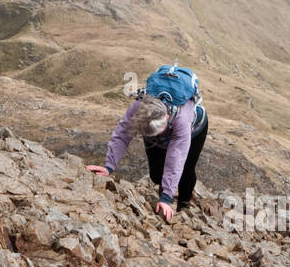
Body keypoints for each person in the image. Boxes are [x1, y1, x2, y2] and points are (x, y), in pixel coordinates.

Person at [89, 88, 208, 222]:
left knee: (186, 168)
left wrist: (166, 197)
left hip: (194, 131)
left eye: (157, 133)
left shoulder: (182, 119)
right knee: (157, 174)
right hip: (155, 128)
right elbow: (121, 135)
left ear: (167, 117)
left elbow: (176, 157)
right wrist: (109, 166)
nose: (156, 137)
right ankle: (165, 191)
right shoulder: (138, 110)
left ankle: (183, 205)